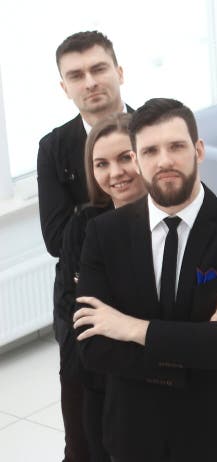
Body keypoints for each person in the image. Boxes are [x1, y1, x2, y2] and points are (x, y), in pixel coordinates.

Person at [72, 98, 217, 462]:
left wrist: (133, 328)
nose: (164, 160)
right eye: (150, 150)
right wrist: (202, 337)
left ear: (198, 150)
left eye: (176, 146)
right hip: (135, 437)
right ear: (136, 159)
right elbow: (94, 347)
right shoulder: (103, 234)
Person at [36, 30, 132, 462]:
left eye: (98, 69)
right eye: (76, 75)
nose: (89, 81)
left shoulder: (158, 124)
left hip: (152, 297)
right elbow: (57, 238)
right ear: (64, 87)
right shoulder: (53, 148)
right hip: (81, 303)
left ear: (119, 72)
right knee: (84, 438)